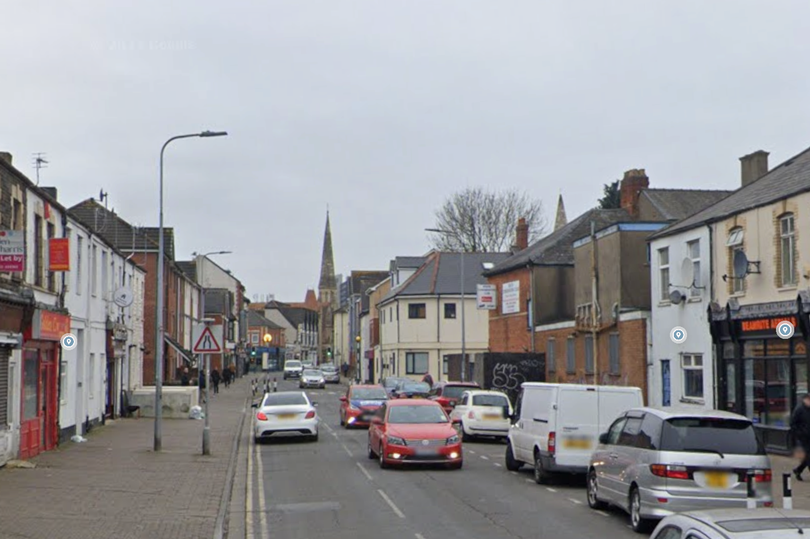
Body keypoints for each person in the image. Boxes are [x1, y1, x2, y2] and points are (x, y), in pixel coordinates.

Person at [792, 393, 810, 481]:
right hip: (803, 437)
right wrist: (800, 434)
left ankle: (798, 470)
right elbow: (793, 424)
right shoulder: (799, 409)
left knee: (807, 456)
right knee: (808, 455)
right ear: (805, 400)